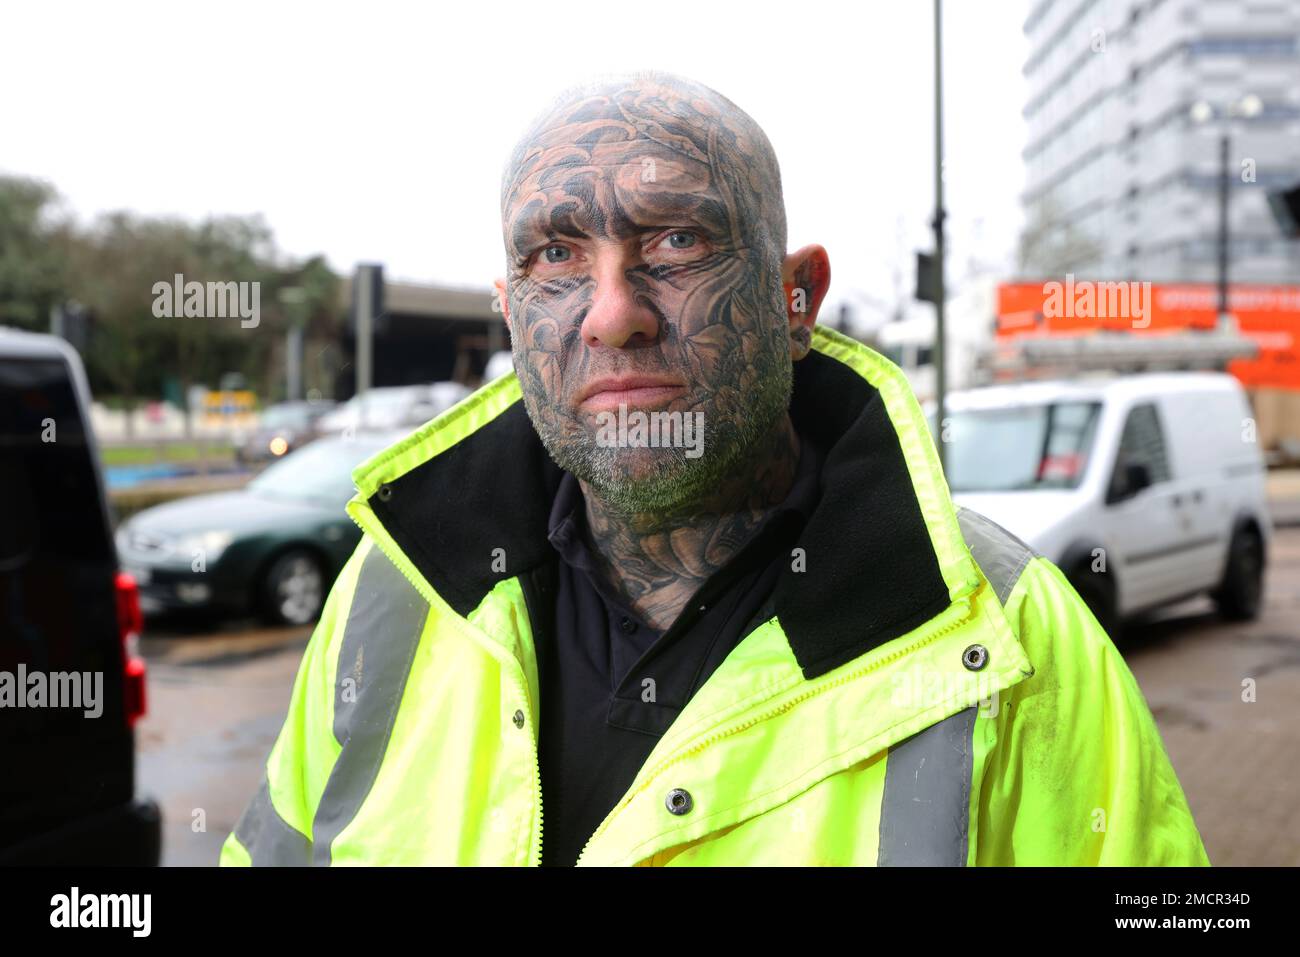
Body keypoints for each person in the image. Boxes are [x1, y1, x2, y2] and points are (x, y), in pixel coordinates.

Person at [221, 72, 1208, 866]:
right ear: (511, 313)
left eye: (678, 241)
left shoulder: (1007, 636)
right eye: (555, 256)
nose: (612, 312)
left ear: (796, 298)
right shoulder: (393, 594)